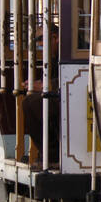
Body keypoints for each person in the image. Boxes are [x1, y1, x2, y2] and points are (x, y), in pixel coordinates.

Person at [23, 23, 59, 166]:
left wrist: (44, 85)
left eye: (44, 45)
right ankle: (48, 152)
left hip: (71, 98)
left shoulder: (73, 49)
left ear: (54, 38)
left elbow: (65, 78)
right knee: (30, 101)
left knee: (30, 103)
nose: (43, 50)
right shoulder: (54, 55)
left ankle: (52, 154)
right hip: (60, 95)